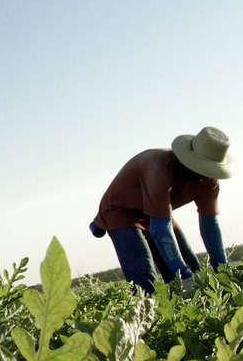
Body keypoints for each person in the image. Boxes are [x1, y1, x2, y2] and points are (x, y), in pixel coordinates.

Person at [90, 126, 233, 294]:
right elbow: (160, 230)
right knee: (145, 284)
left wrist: (222, 270)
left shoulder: (210, 183)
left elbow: (210, 225)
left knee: (195, 270)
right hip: (121, 211)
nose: (203, 176)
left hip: (158, 212)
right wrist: (183, 274)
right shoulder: (159, 169)